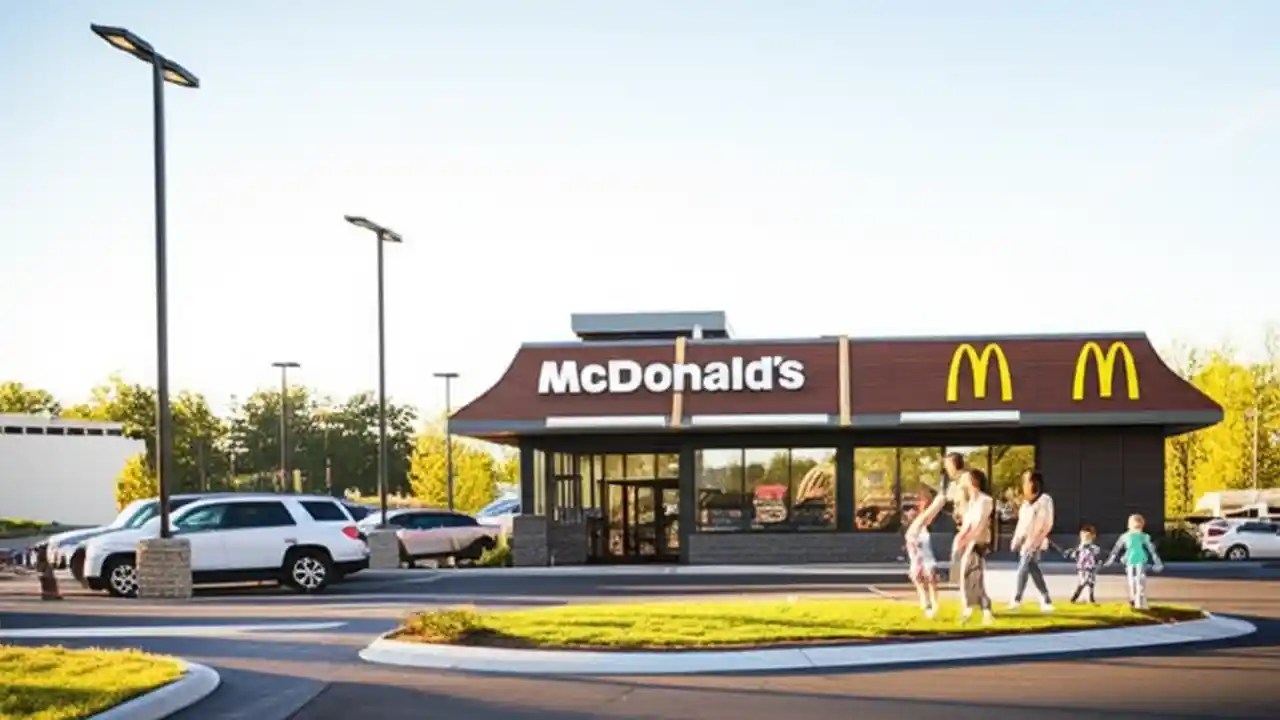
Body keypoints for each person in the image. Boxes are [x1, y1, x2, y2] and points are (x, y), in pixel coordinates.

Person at [953, 467, 995, 625]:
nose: (963, 481)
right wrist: (961, 538)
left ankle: (984, 610)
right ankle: (971, 608)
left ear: (974, 481)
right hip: (970, 541)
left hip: (978, 542)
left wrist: (966, 539)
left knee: (974, 574)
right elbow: (967, 524)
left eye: (966, 478)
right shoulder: (971, 502)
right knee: (968, 574)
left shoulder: (985, 501)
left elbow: (979, 525)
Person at [1009, 470, 1055, 612]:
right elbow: (1021, 525)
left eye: (1026, 482)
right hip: (1025, 543)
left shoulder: (1044, 501)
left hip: (1036, 542)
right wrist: (1016, 540)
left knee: (1023, 567)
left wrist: (1036, 542)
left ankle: (1017, 599)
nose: (1024, 486)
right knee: (1033, 568)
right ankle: (1046, 598)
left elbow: (1047, 524)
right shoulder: (1025, 505)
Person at [904, 484, 948, 618]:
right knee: (919, 576)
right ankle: (926, 601)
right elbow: (926, 516)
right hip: (917, 547)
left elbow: (928, 516)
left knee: (929, 576)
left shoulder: (922, 521)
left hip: (922, 548)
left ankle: (932, 603)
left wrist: (939, 500)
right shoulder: (915, 521)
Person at [1105, 513, 1164, 609]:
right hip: (1130, 559)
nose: (1137, 529)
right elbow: (1116, 548)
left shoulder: (1143, 536)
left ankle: (1139, 598)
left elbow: (1151, 549)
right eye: (1135, 526)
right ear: (1130, 526)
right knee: (1131, 579)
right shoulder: (1125, 536)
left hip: (1140, 559)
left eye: (1139, 526)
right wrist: (1110, 559)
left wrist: (1157, 561)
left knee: (1140, 579)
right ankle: (1133, 597)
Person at [941, 452, 967, 586]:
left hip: (968, 525)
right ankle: (959, 582)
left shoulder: (966, 479)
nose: (946, 469)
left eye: (947, 465)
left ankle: (961, 583)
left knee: (961, 553)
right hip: (960, 525)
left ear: (953, 464)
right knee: (959, 553)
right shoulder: (955, 483)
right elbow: (948, 500)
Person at [1062, 524, 1103, 603]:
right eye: (1083, 536)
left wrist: (1098, 561)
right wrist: (1071, 552)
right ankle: (1075, 597)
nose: (1085, 538)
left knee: (1091, 582)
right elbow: (1074, 555)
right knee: (1083, 581)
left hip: (1091, 567)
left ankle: (1091, 597)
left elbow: (1097, 554)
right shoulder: (1079, 548)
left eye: (1088, 536)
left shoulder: (1093, 548)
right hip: (1082, 567)